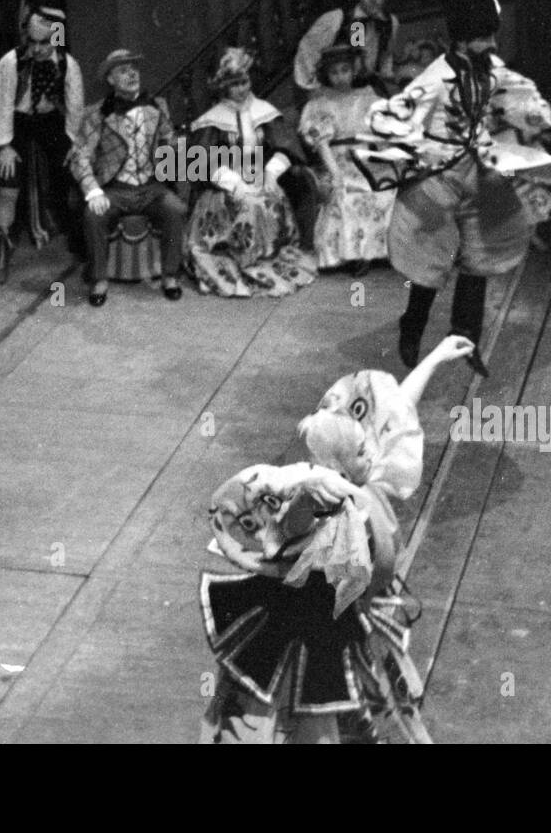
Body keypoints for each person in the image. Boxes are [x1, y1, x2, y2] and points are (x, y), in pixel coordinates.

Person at [199, 333, 474, 743]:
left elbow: (395, 412)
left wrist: (434, 360)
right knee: (312, 718)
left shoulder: (364, 484)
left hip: (348, 620)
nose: (373, 453)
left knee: (357, 706)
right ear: (336, 466)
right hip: (311, 636)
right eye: (363, 450)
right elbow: (280, 516)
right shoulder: (310, 503)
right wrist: (307, 492)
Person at [359, 0, 551, 377]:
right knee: (429, 261)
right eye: (480, 38)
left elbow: (526, 103)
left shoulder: (493, 72)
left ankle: (465, 340)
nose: (488, 45)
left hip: (482, 173)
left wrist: (533, 117)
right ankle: (411, 328)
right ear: (463, 38)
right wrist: (420, 147)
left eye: (490, 36)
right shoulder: (436, 76)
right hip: (440, 178)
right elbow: (391, 117)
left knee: (479, 260)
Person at [184, 48, 318, 298]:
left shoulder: (263, 110)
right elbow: (199, 162)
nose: (241, 89)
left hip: (260, 177)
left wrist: (270, 172)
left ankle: (268, 256)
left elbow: (286, 146)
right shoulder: (212, 120)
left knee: (270, 198)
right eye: (234, 84)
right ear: (223, 87)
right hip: (223, 187)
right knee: (248, 204)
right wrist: (234, 183)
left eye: (244, 81)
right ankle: (238, 260)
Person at [68, 49, 186, 307]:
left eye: (133, 68)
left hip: (151, 186)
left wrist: (177, 149)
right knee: (93, 215)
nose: (131, 73)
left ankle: (170, 276)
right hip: (116, 189)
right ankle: (99, 279)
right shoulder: (96, 114)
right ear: (110, 79)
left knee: (175, 209)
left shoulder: (157, 106)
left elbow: (170, 141)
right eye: (123, 70)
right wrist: (93, 191)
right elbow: (80, 156)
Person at [0, 6, 84, 284]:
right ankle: (3, 247)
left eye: (45, 42)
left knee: (75, 172)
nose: (37, 49)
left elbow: (75, 108)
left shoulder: (66, 64)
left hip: (50, 123)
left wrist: (74, 143)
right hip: (17, 124)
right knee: (8, 182)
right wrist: (4, 145)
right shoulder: (11, 62)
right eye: (33, 42)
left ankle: (81, 241)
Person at [298, 43, 395, 273]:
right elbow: (321, 144)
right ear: (326, 75)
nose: (340, 77)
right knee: (347, 193)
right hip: (337, 160)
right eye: (334, 72)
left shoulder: (368, 98)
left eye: (345, 70)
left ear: (354, 70)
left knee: (388, 189)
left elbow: (385, 135)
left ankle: (382, 251)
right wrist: (335, 173)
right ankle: (354, 255)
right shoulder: (320, 103)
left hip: (368, 159)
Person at [293, 0, 400, 96]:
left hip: (366, 88)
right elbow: (307, 51)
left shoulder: (389, 21)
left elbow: (385, 57)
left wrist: (387, 76)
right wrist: (314, 87)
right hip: (333, 90)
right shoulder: (336, 19)